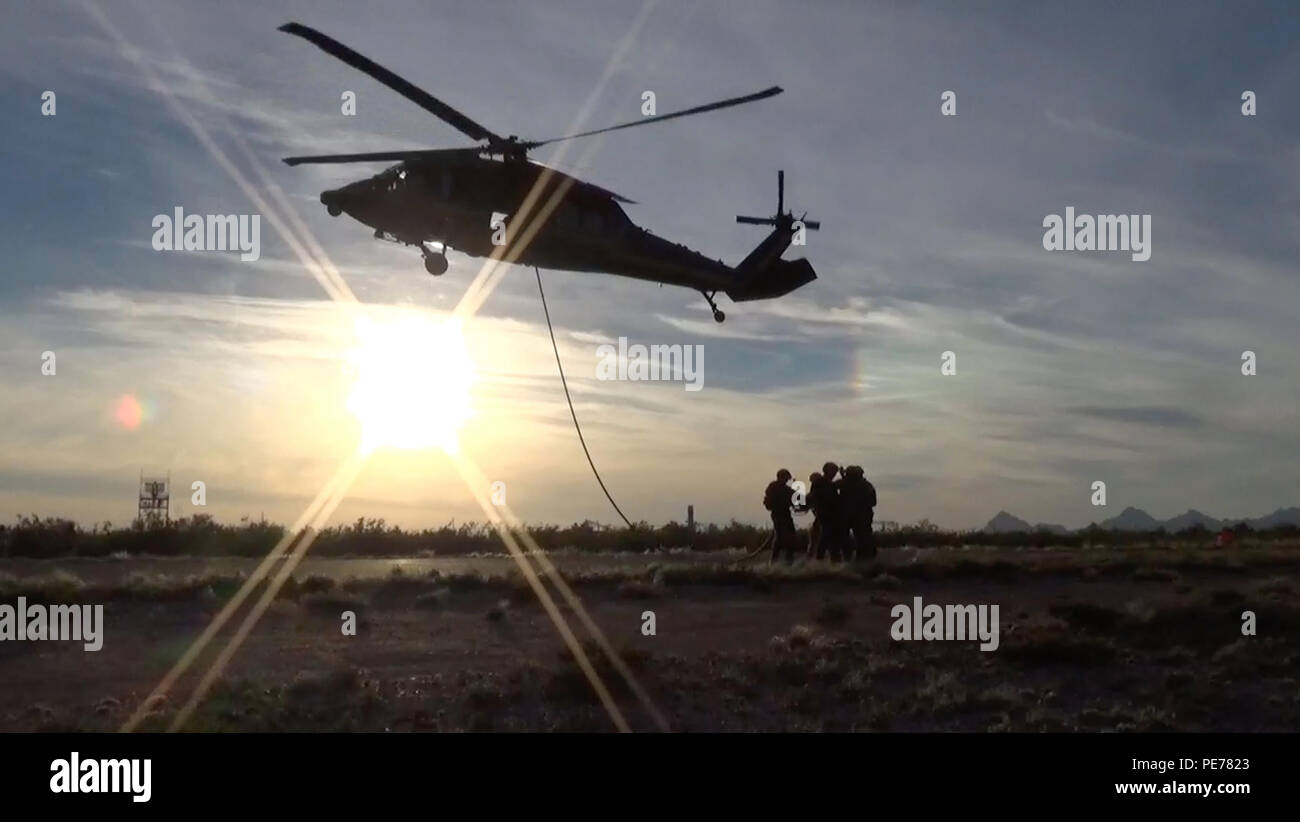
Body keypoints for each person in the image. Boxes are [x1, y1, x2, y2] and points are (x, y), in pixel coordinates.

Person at [839, 465, 877, 560]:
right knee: (862, 538)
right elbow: (873, 502)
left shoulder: (846, 484)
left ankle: (861, 557)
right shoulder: (866, 485)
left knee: (863, 538)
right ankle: (863, 557)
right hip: (854, 516)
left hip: (857, 516)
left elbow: (872, 502)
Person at [810, 462, 846, 561]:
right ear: (827, 471)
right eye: (833, 471)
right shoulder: (821, 482)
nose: (834, 473)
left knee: (832, 538)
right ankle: (819, 559)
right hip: (826, 515)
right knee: (826, 537)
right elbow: (824, 496)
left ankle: (833, 558)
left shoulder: (825, 482)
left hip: (830, 515)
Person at [763, 468, 799, 564]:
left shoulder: (780, 488)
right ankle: (779, 562)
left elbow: (797, 498)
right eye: (786, 478)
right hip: (779, 515)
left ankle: (784, 561)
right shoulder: (776, 487)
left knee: (787, 538)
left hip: (784, 514)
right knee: (781, 539)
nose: (787, 480)